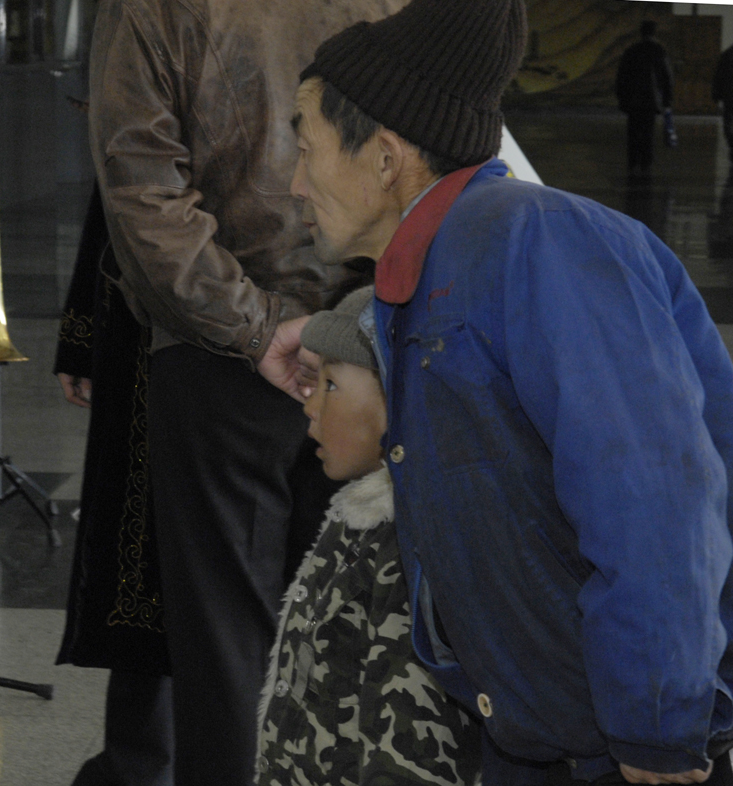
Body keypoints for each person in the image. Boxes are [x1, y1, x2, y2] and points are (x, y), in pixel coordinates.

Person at [283, 0, 733, 783]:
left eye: (305, 148)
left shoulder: (538, 240)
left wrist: (656, 721)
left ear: (385, 158)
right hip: (538, 733)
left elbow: (650, 489)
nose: (293, 184)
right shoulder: (426, 274)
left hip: (625, 751)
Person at [86, 0, 406, 782]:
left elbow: (143, 193)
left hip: (218, 355)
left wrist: (258, 328)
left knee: (225, 642)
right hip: (364, 339)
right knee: (352, 622)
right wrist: (358, 318)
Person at [255, 285, 481, 786]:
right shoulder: (364, 519)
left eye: (331, 385)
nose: (310, 405)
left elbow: (410, 751)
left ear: (403, 398)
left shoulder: (410, 554)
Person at [54, 183, 173, 786]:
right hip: (146, 329)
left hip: (242, 339)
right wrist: (81, 340)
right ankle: (138, 762)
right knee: (144, 560)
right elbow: (114, 196)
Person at [616, 20, 674, 174]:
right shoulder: (659, 51)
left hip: (633, 100)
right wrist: (667, 100)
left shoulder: (632, 50)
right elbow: (667, 77)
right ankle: (646, 163)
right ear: (654, 32)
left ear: (641, 32)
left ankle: (633, 161)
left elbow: (622, 76)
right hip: (651, 100)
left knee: (633, 132)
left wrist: (621, 98)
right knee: (648, 133)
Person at [714, 43, 733, 154]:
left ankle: (731, 143)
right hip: (729, 93)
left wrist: (716, 94)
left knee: (727, 121)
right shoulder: (727, 54)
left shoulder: (727, 54)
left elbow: (719, 75)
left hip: (729, 94)